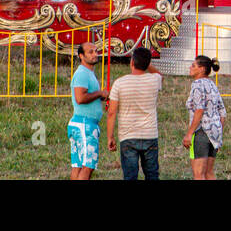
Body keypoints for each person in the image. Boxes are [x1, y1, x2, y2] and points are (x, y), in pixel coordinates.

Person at [106, 46, 164, 179]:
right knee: (152, 175)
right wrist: (147, 63)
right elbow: (160, 75)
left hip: (128, 136)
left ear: (132, 62)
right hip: (150, 134)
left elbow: (112, 112)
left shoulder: (120, 83)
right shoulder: (154, 80)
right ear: (147, 63)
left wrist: (110, 137)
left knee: (130, 176)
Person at [68, 41, 109, 180]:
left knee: (78, 165)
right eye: (90, 52)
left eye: (96, 51)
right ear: (81, 56)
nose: (95, 54)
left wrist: (99, 96)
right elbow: (80, 98)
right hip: (85, 125)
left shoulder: (88, 73)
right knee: (88, 166)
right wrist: (99, 93)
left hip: (81, 124)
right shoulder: (82, 74)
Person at [183, 54, 226, 180]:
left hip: (201, 133)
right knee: (209, 173)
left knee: (199, 174)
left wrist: (189, 133)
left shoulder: (197, 85)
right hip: (215, 132)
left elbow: (199, 110)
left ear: (202, 69)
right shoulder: (212, 85)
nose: (190, 68)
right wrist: (219, 134)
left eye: (193, 65)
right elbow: (222, 112)